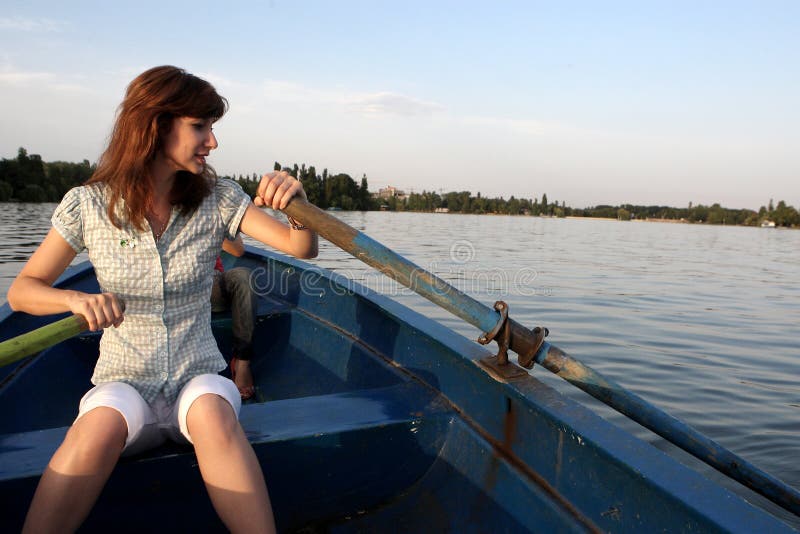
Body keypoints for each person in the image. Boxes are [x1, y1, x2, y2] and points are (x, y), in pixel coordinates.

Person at [6, 65, 318, 533]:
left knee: (212, 413)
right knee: (96, 427)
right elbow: (22, 290)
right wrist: (73, 300)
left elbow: (300, 247)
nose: (213, 142)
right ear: (155, 126)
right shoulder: (88, 204)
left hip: (198, 377)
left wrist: (299, 205)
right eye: (200, 127)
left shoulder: (218, 198)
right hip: (124, 381)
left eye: (212, 127)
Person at [212, 235, 257, 400]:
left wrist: (209, 227)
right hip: (174, 284)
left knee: (243, 276)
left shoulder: (208, 218)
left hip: (212, 281)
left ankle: (242, 362)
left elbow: (237, 250)